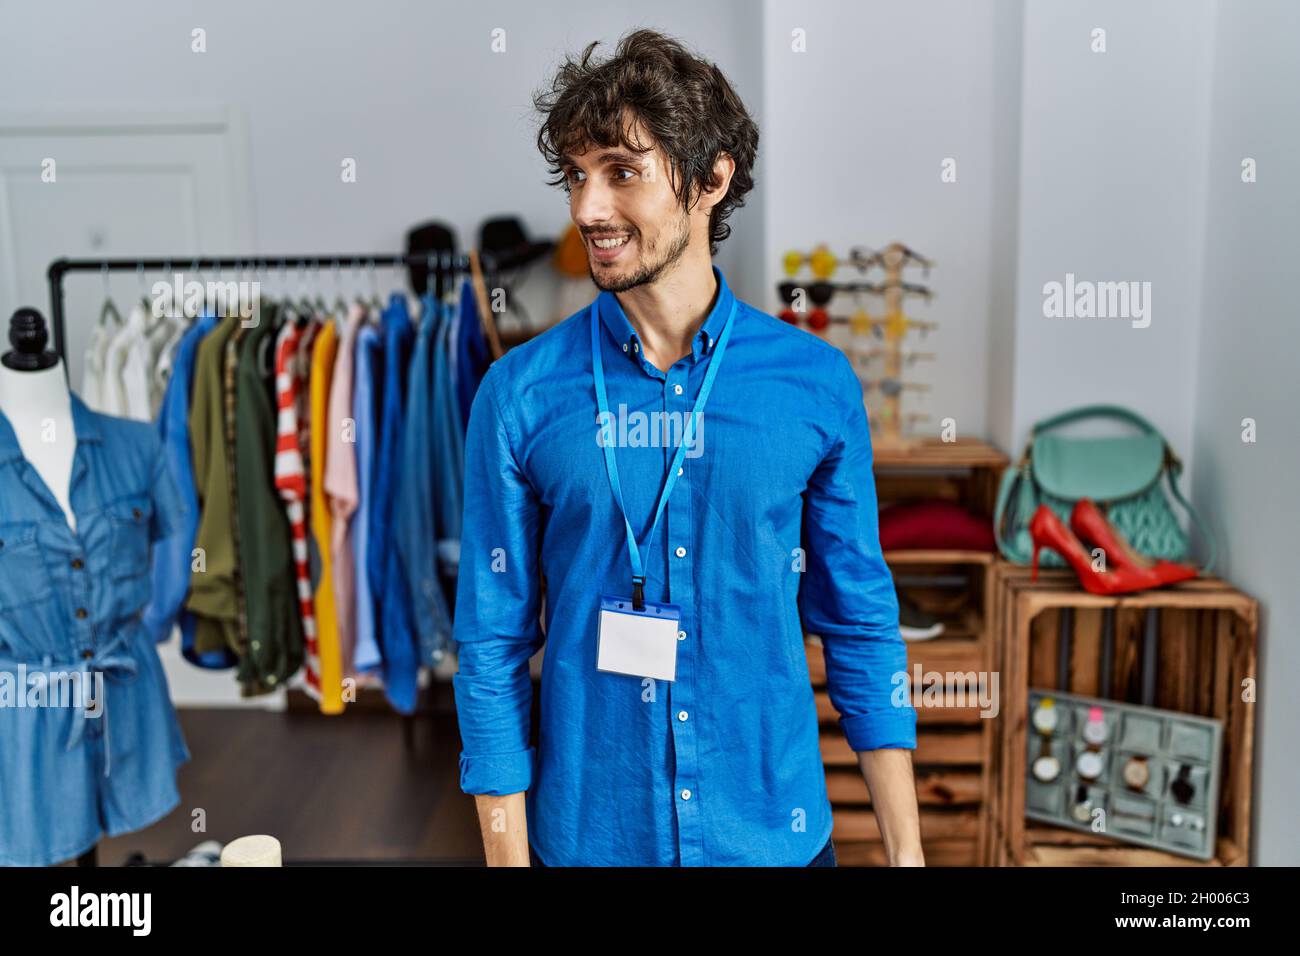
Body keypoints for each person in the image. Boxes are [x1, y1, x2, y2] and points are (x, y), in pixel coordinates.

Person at [453, 28, 924, 867]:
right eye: (576, 177)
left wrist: (908, 855)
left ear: (712, 179)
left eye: (621, 172)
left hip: (772, 836)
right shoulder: (518, 395)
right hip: (591, 839)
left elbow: (859, 621)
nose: (587, 208)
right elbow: (491, 647)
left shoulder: (814, 384)